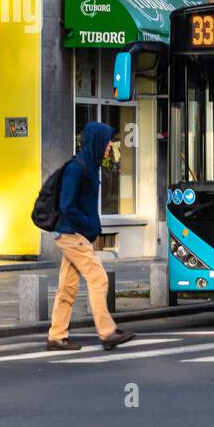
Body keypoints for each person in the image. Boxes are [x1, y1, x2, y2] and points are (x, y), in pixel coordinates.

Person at [48, 121, 136, 352]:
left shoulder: (90, 165)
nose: (110, 145)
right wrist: (87, 225)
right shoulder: (78, 168)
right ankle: (107, 333)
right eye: (107, 140)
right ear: (97, 140)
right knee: (98, 278)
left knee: (67, 286)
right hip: (71, 233)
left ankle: (57, 336)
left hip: (73, 233)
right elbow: (66, 205)